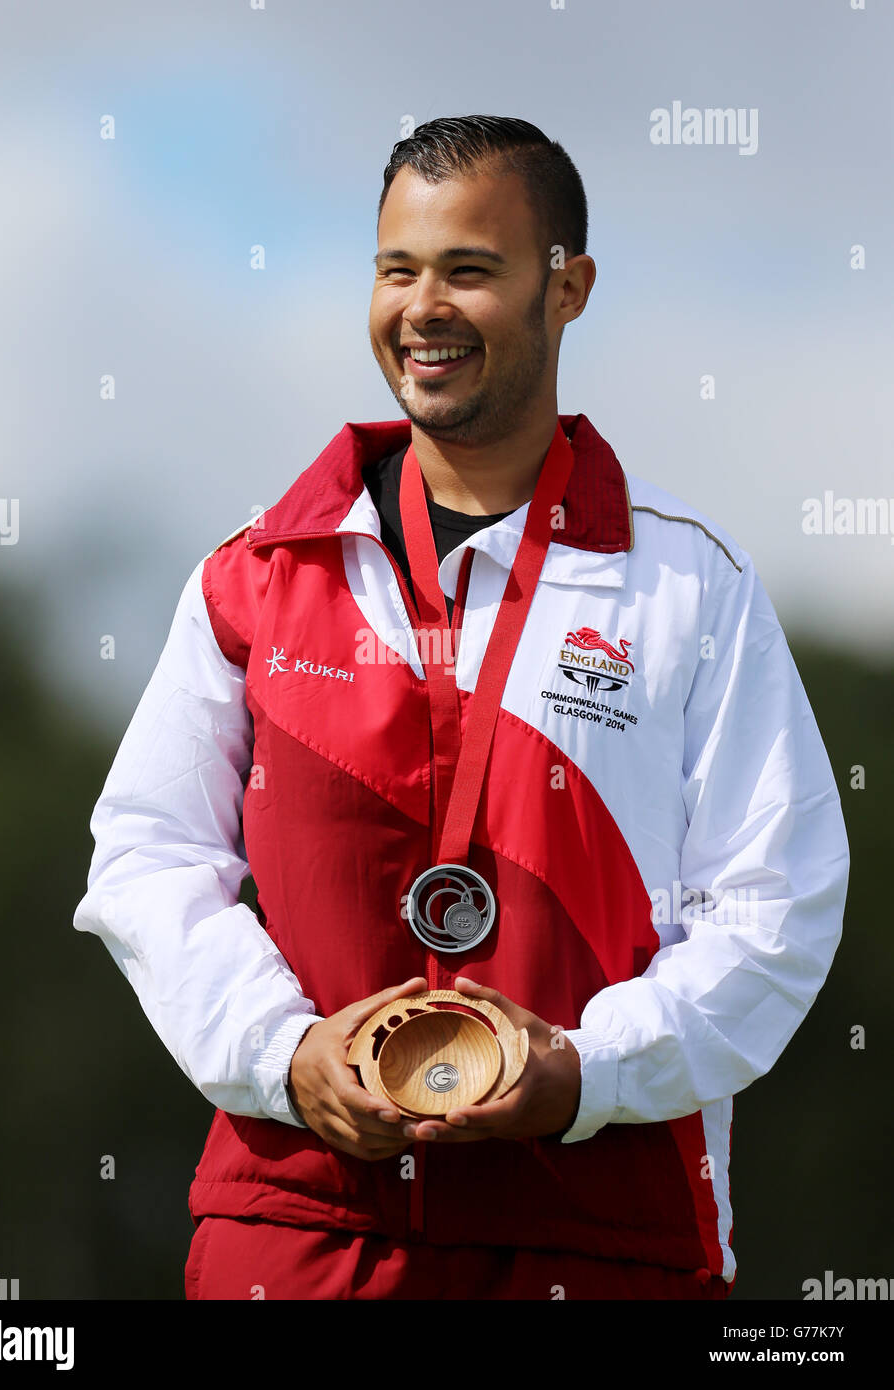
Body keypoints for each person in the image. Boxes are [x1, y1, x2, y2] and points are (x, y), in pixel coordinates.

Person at [73, 115, 849, 1301]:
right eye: (398, 269)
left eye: (469, 270)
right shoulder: (257, 572)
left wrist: (586, 1071)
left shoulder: (688, 580)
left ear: (566, 287)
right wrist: (285, 1056)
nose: (422, 306)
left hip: (601, 1238)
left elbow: (773, 906)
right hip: (296, 1229)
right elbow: (144, 858)